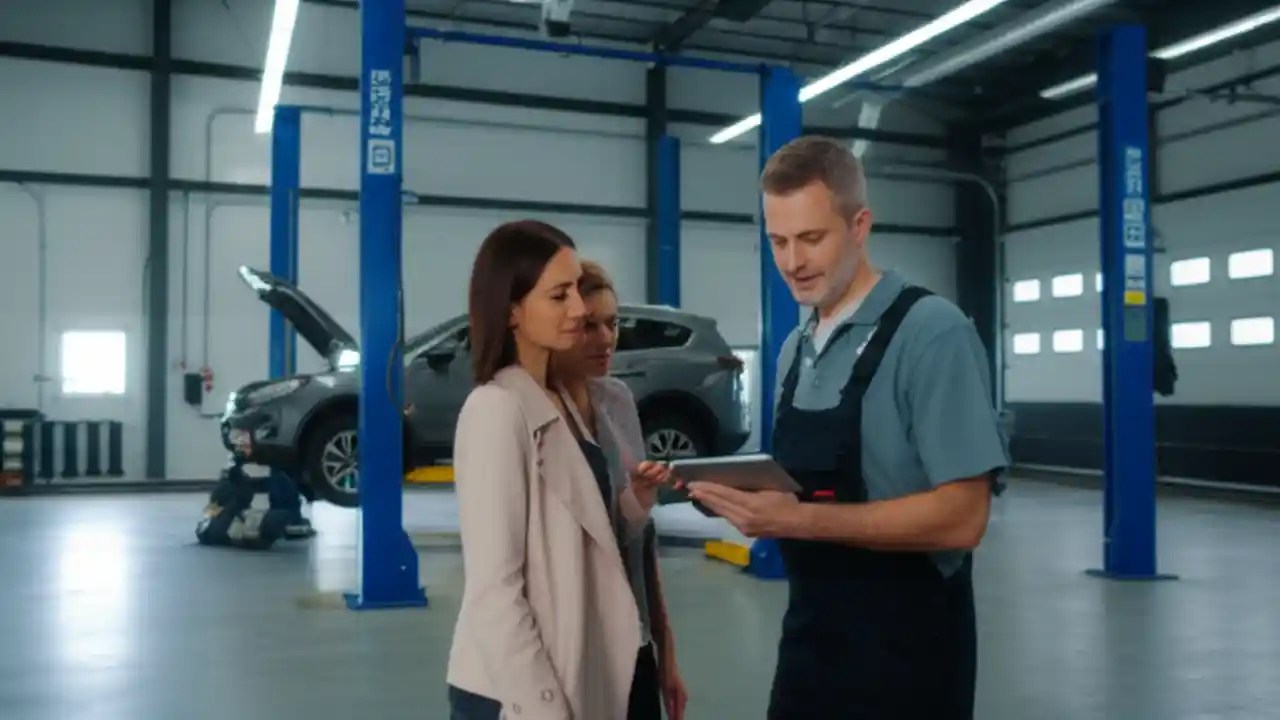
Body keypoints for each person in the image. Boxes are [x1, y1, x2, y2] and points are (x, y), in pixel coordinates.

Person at [686, 135, 1009, 719]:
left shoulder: (931, 333)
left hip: (908, 663)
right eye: (778, 241)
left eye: (811, 238)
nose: (792, 262)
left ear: (859, 226)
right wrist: (737, 496)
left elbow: (964, 517)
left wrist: (796, 519)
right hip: (811, 649)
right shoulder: (793, 349)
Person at [446, 220, 672, 720]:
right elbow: (495, 591)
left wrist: (634, 503)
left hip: (579, 668)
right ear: (511, 310)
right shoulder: (496, 409)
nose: (578, 309)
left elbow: (589, 538)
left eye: (576, 291)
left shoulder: (560, 400)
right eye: (559, 296)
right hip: (520, 692)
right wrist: (546, 708)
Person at [551, 260, 689, 720]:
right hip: (575, 653)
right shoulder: (535, 415)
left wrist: (664, 650)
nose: (606, 338)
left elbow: (643, 543)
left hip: (635, 641)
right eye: (589, 325)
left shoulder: (618, 400)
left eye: (611, 323)